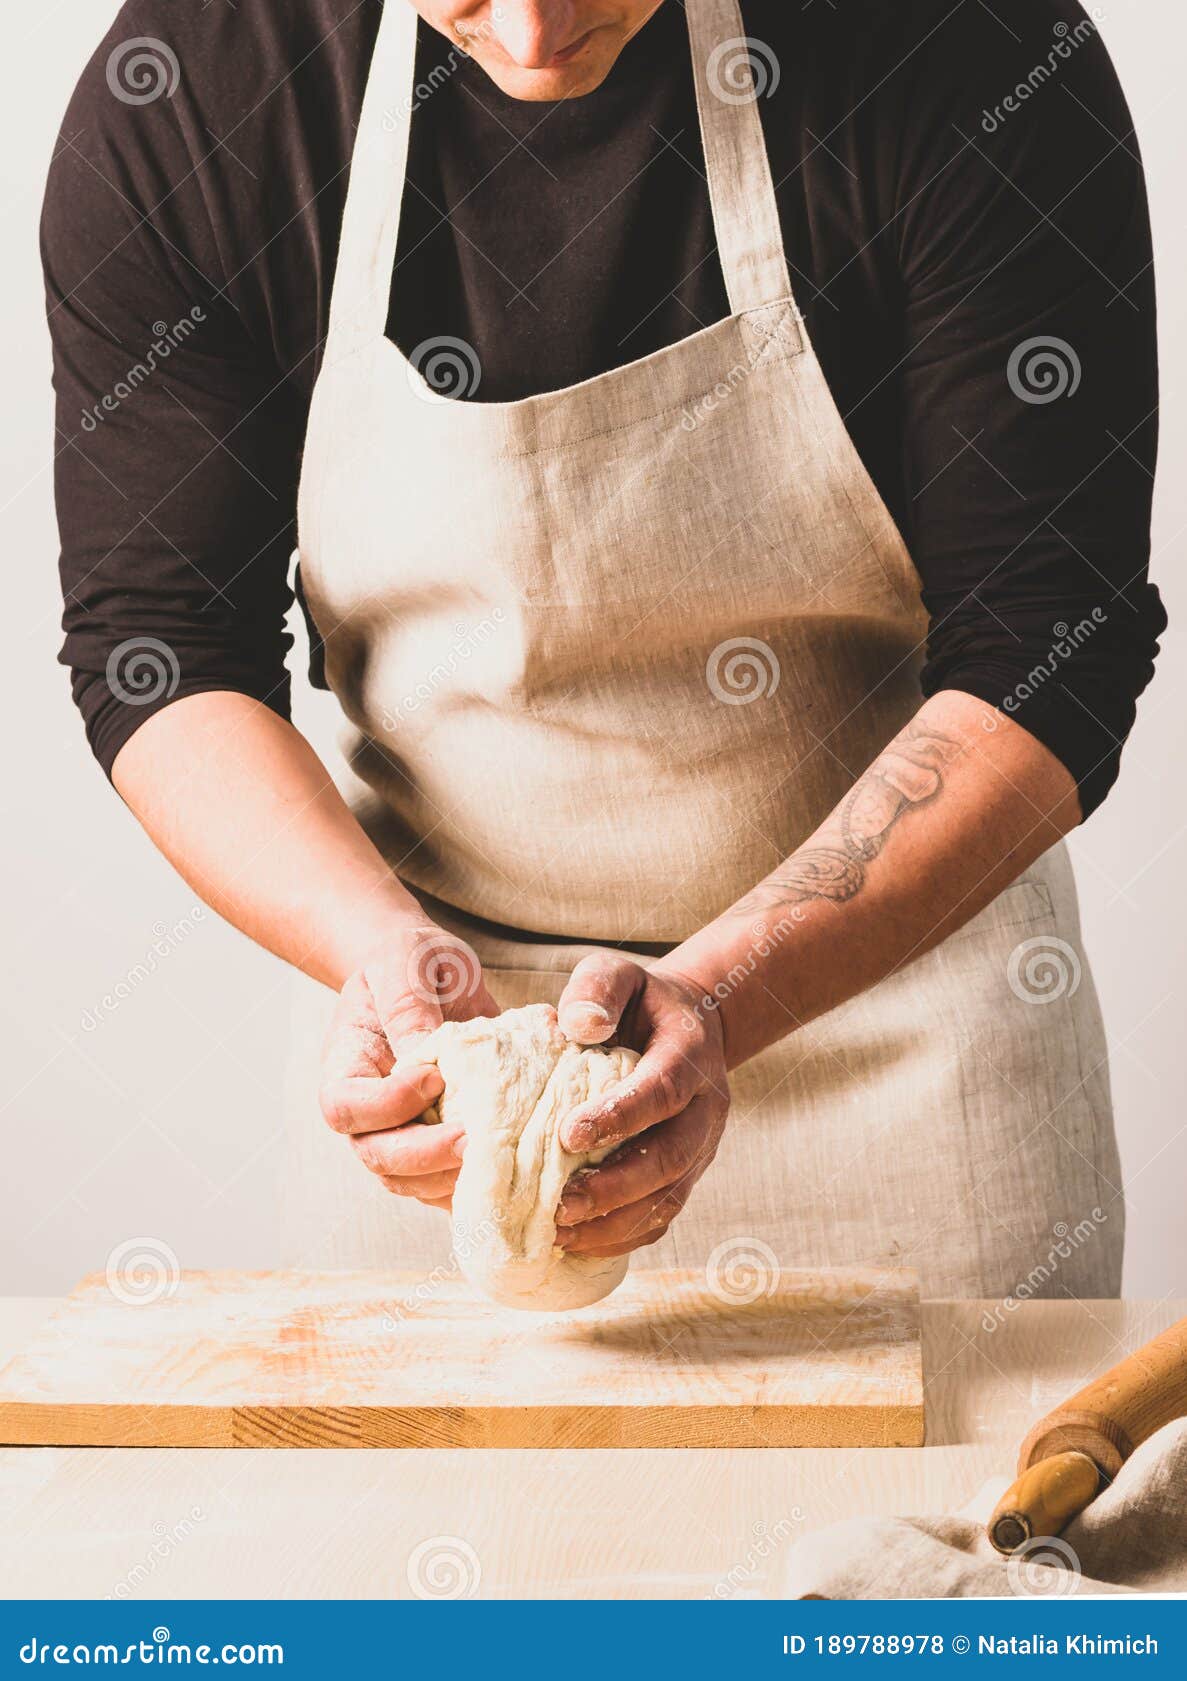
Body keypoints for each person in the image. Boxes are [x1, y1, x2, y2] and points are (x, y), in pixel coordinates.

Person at [45, 0, 1165, 1296]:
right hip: (444, 1077)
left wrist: (726, 995)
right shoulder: (201, 86)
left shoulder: (963, 45)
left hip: (911, 1039)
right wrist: (384, 958)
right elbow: (163, 646)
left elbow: (1050, 651)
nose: (531, 35)